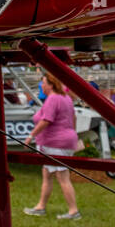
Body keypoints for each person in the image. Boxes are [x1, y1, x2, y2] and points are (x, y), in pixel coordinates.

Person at [23, 70, 82, 219]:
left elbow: (46, 120)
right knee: (47, 174)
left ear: (50, 84)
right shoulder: (66, 98)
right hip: (65, 140)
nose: (41, 86)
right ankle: (41, 206)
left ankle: (73, 211)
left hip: (56, 143)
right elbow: (73, 117)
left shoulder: (53, 99)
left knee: (62, 177)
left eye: (43, 83)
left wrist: (31, 136)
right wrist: (72, 134)